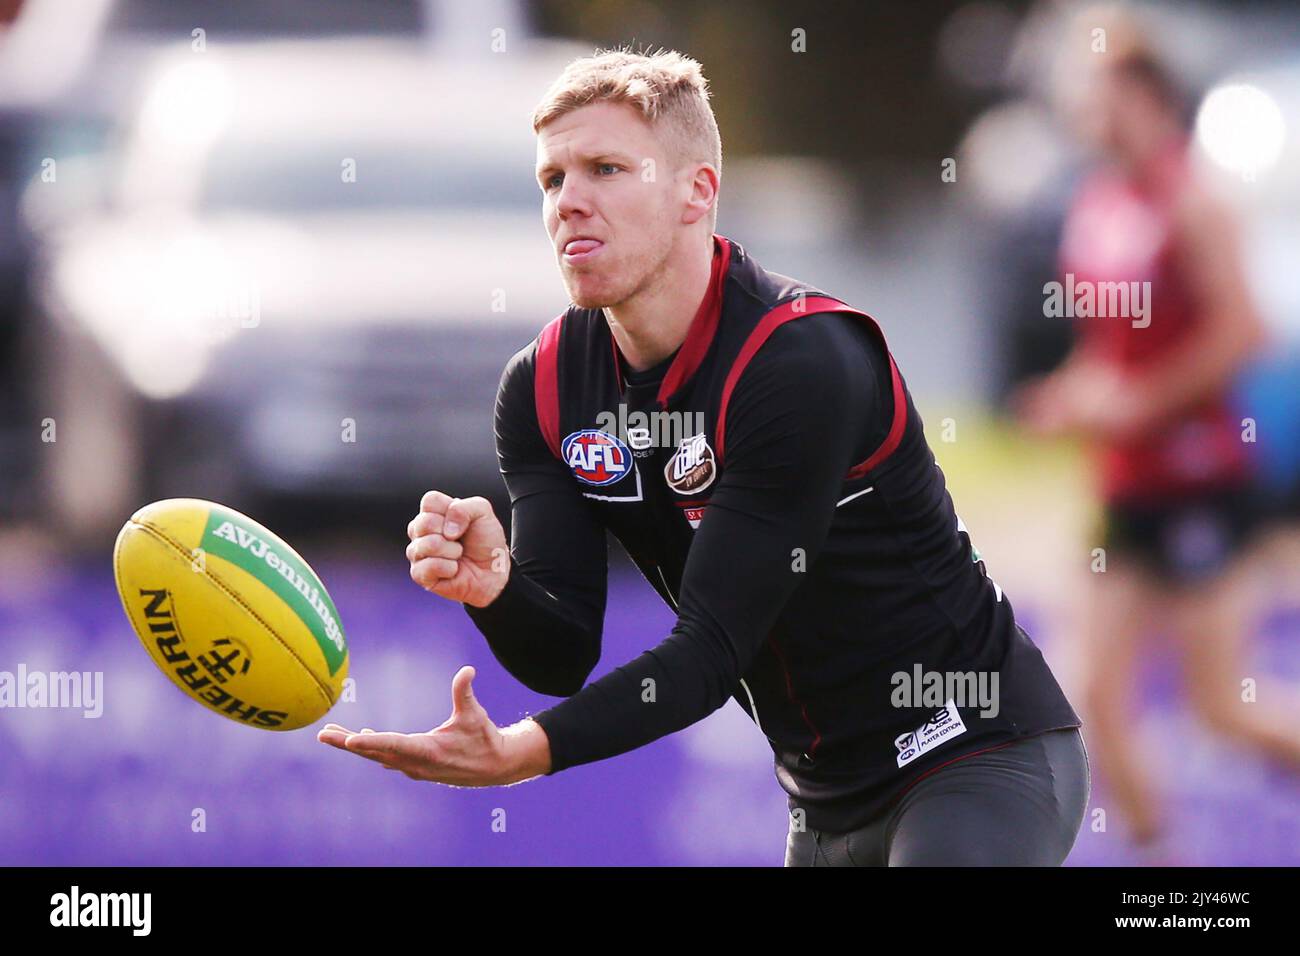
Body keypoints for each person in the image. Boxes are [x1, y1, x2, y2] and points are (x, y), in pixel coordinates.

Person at [320, 48, 1089, 866]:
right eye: (552, 179)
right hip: (826, 804)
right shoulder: (545, 389)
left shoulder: (799, 360)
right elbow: (562, 653)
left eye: (606, 168)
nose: (570, 202)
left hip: (975, 750)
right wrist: (499, 589)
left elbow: (708, 654)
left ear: (698, 191)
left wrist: (520, 752)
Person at [1016, 18, 1300, 852]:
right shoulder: (1095, 203)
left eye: (1102, 89)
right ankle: (1161, 877)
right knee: (1085, 700)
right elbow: (1111, 349)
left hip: (1201, 483)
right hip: (1125, 488)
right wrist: (1073, 397)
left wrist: (1141, 404)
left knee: (1220, 708)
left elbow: (1245, 329)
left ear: (1149, 96)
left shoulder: (1192, 197)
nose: (1086, 110)